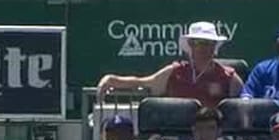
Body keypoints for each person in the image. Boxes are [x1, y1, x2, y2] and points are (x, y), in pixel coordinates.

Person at [95, 21, 242, 108]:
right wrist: (111, 80)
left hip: (215, 137)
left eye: (209, 43)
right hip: (175, 135)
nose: (204, 48)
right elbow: (143, 82)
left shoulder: (229, 77)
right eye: (199, 43)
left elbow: (242, 109)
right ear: (190, 45)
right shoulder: (175, 71)